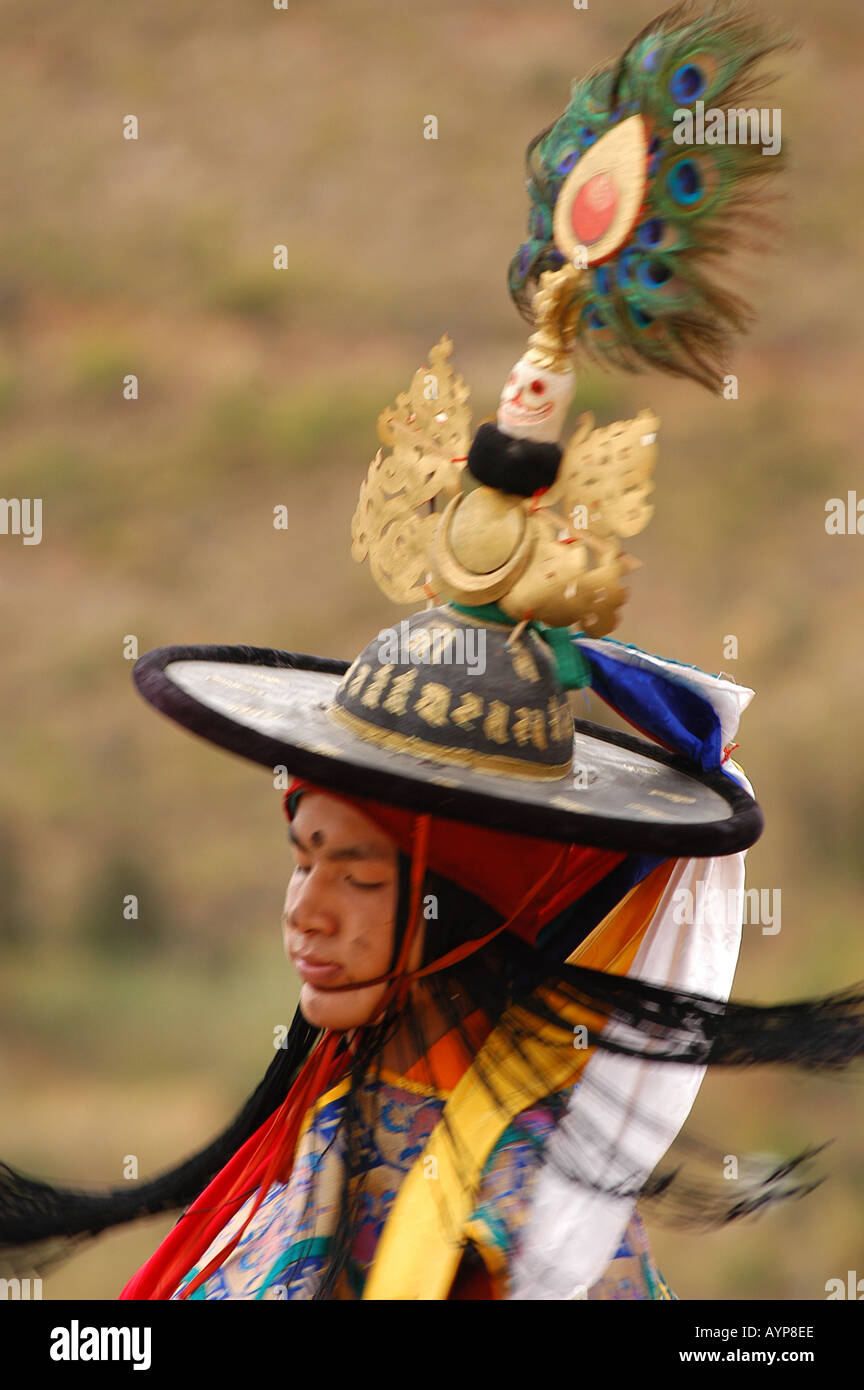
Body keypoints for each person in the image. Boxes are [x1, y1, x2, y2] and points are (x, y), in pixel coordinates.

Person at [2, 2, 862, 1302]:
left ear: (461, 903)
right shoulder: (342, 1105)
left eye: (356, 872)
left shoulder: (526, 1229)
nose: (305, 912)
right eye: (304, 856)